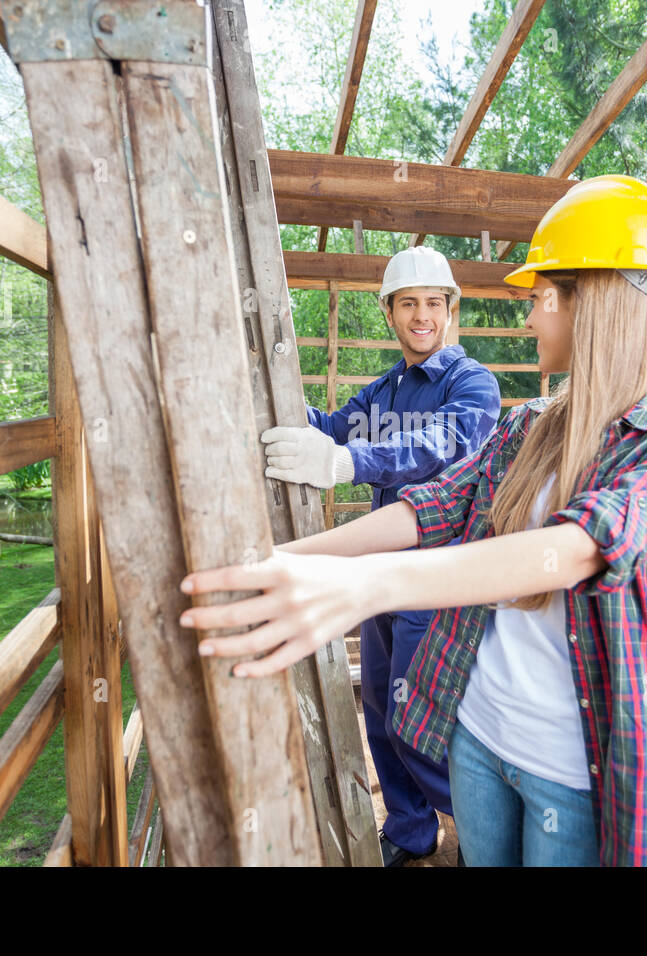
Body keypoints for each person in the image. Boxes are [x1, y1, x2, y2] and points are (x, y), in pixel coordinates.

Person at [179, 175, 647, 866]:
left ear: (589, 300)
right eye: (406, 304)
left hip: (572, 769)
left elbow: (580, 548)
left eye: (538, 301)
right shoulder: (530, 425)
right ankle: (409, 831)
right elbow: (437, 506)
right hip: (481, 736)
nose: (528, 320)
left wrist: (366, 582)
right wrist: (292, 558)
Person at [259, 245, 500, 866]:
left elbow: (443, 445)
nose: (421, 315)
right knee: (383, 712)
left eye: (433, 303)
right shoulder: (386, 388)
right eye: (408, 304)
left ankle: (481, 834)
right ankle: (411, 831)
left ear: (450, 310)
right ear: (389, 312)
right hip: (378, 574)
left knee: (422, 717)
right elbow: (333, 427)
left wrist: (346, 463)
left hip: (438, 575)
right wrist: (272, 407)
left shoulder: (470, 383)